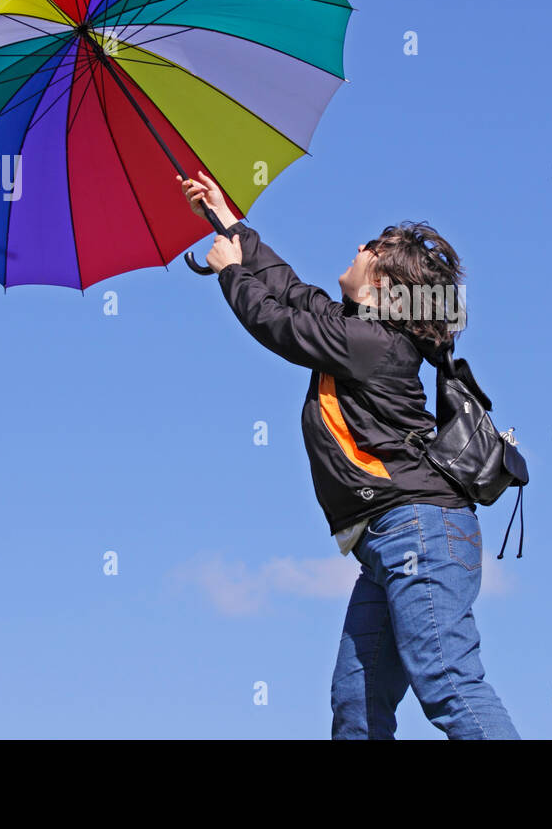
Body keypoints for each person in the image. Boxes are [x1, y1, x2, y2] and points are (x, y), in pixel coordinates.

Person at [181, 171, 519, 740]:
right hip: (391, 539)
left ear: (385, 286)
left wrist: (231, 271)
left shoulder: (372, 343)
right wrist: (227, 220)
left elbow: (278, 324)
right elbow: (291, 292)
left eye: (372, 250)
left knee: (448, 682)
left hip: (419, 531)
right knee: (357, 706)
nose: (359, 248)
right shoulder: (356, 328)